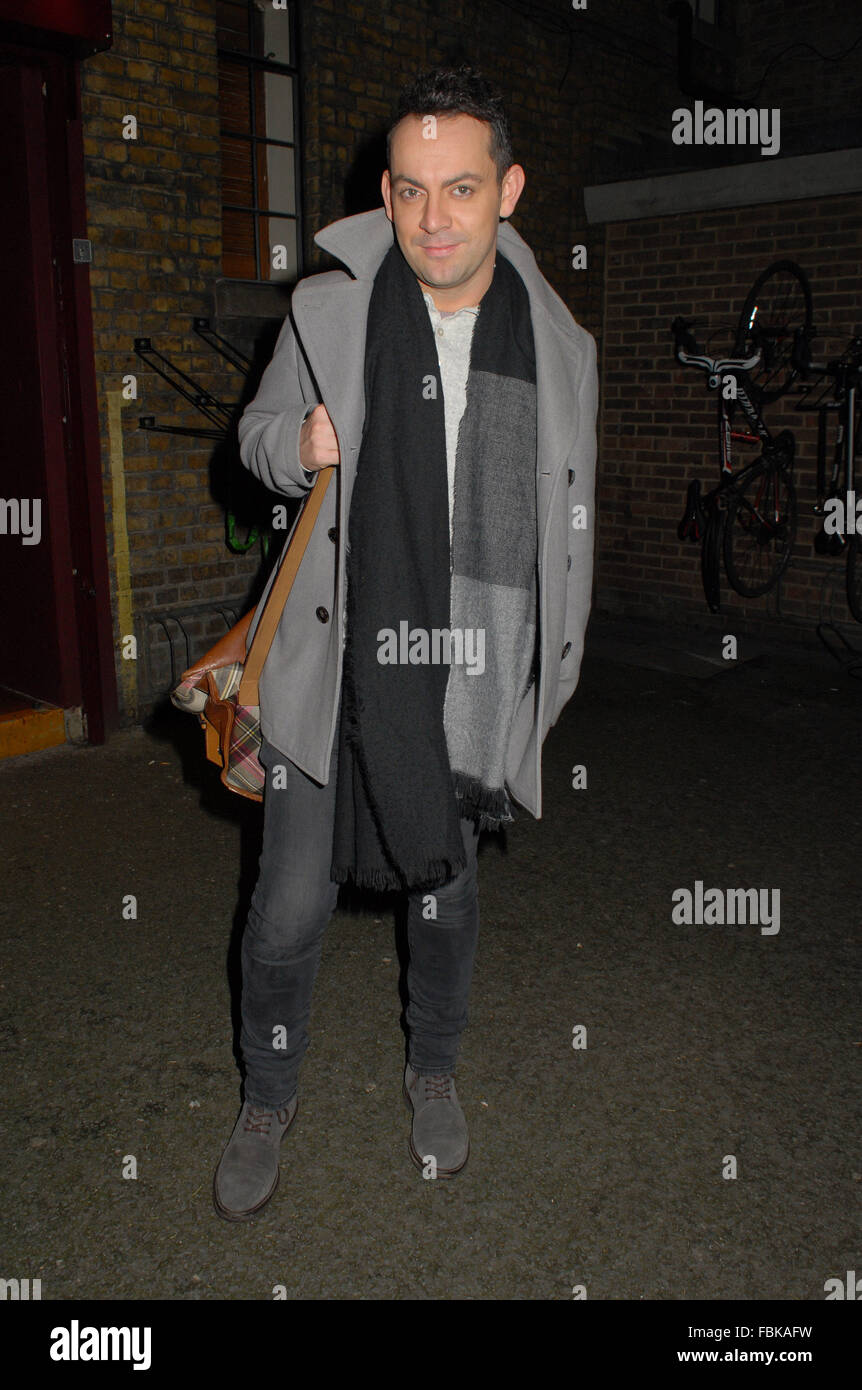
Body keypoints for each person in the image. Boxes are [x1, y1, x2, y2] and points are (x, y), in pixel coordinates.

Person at [213, 64, 598, 1220]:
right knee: (286, 903)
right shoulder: (327, 310)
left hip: (467, 664)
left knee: (443, 888)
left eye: (463, 189)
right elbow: (256, 437)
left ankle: (434, 1069)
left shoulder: (559, 349)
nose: (436, 218)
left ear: (508, 191)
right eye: (414, 190)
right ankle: (267, 1092)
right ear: (386, 193)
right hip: (334, 654)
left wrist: (544, 666)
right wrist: (303, 445)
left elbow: (567, 525)